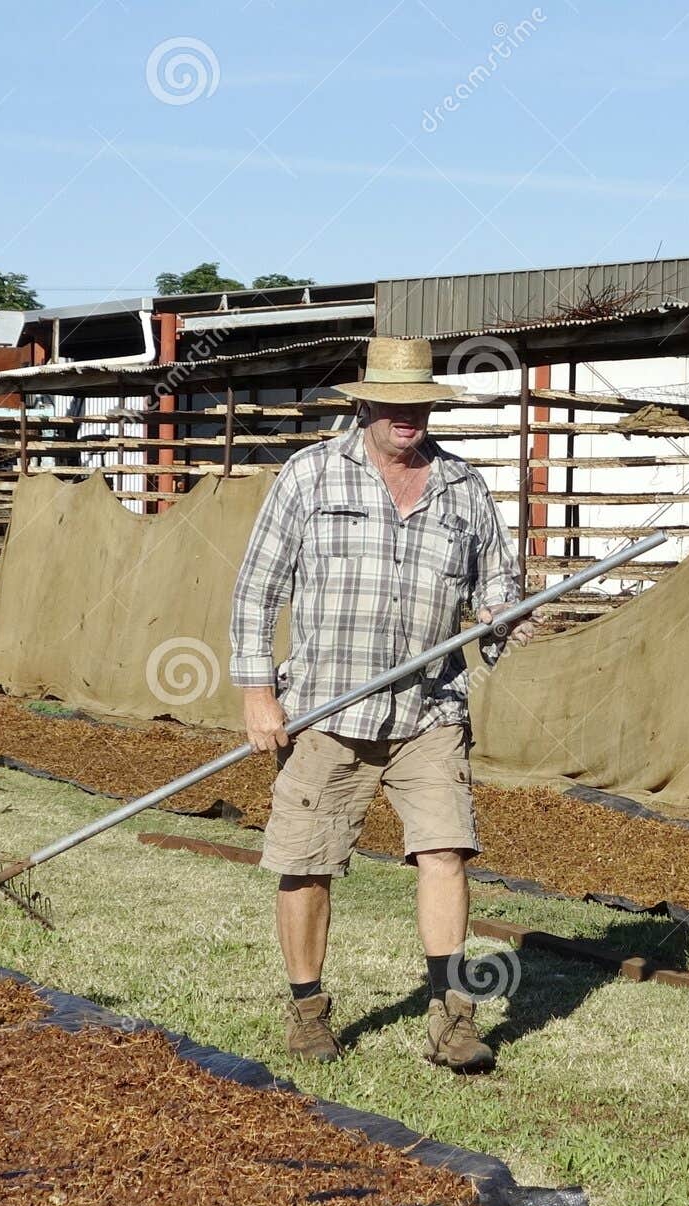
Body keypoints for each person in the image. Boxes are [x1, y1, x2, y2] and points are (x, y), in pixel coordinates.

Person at [229, 335, 536, 1071]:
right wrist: (256, 694)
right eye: (395, 403)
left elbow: (498, 585)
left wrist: (506, 615)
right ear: (364, 402)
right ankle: (308, 1013)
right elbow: (255, 591)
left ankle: (452, 1019)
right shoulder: (310, 476)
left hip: (429, 711)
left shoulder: (464, 489)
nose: (409, 415)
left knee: (445, 852)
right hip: (328, 712)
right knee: (307, 862)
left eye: (421, 403)